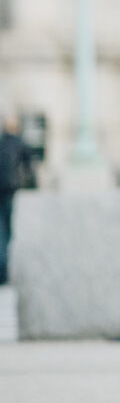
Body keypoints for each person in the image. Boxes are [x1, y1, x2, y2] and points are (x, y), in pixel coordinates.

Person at [0, 113, 34, 287]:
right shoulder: (20, 144)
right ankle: (5, 270)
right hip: (12, 192)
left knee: (2, 232)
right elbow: (29, 169)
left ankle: (2, 271)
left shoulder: (2, 143)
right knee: (9, 232)